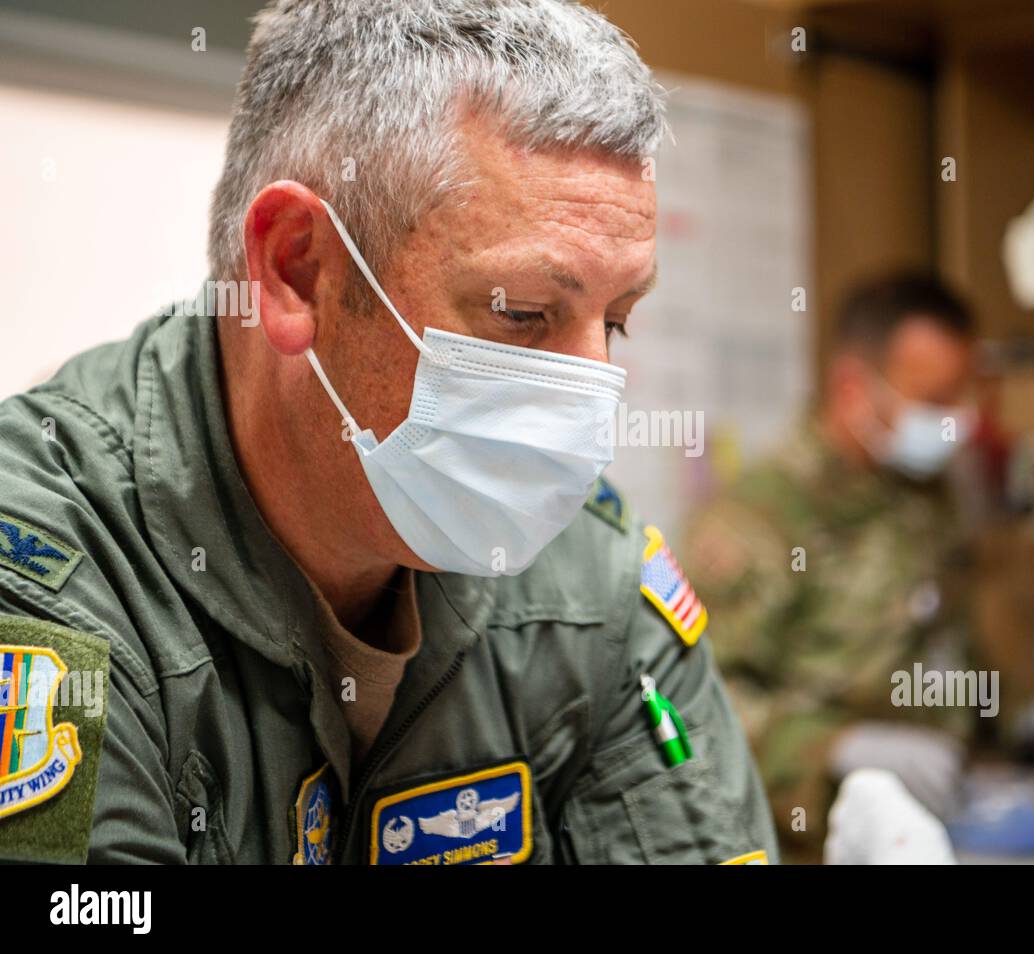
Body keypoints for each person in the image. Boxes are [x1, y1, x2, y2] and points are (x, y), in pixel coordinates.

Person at [0, 0, 776, 865]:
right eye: (522, 315)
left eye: (619, 323)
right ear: (299, 270)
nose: (588, 397)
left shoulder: (591, 583)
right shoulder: (46, 579)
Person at [683, 273, 979, 862]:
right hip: (802, 841)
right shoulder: (757, 520)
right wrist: (837, 749)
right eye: (932, 402)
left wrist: (1014, 709)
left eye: (960, 397)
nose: (952, 421)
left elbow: (932, 633)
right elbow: (690, 705)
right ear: (852, 386)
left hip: (928, 828)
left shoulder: (924, 495)